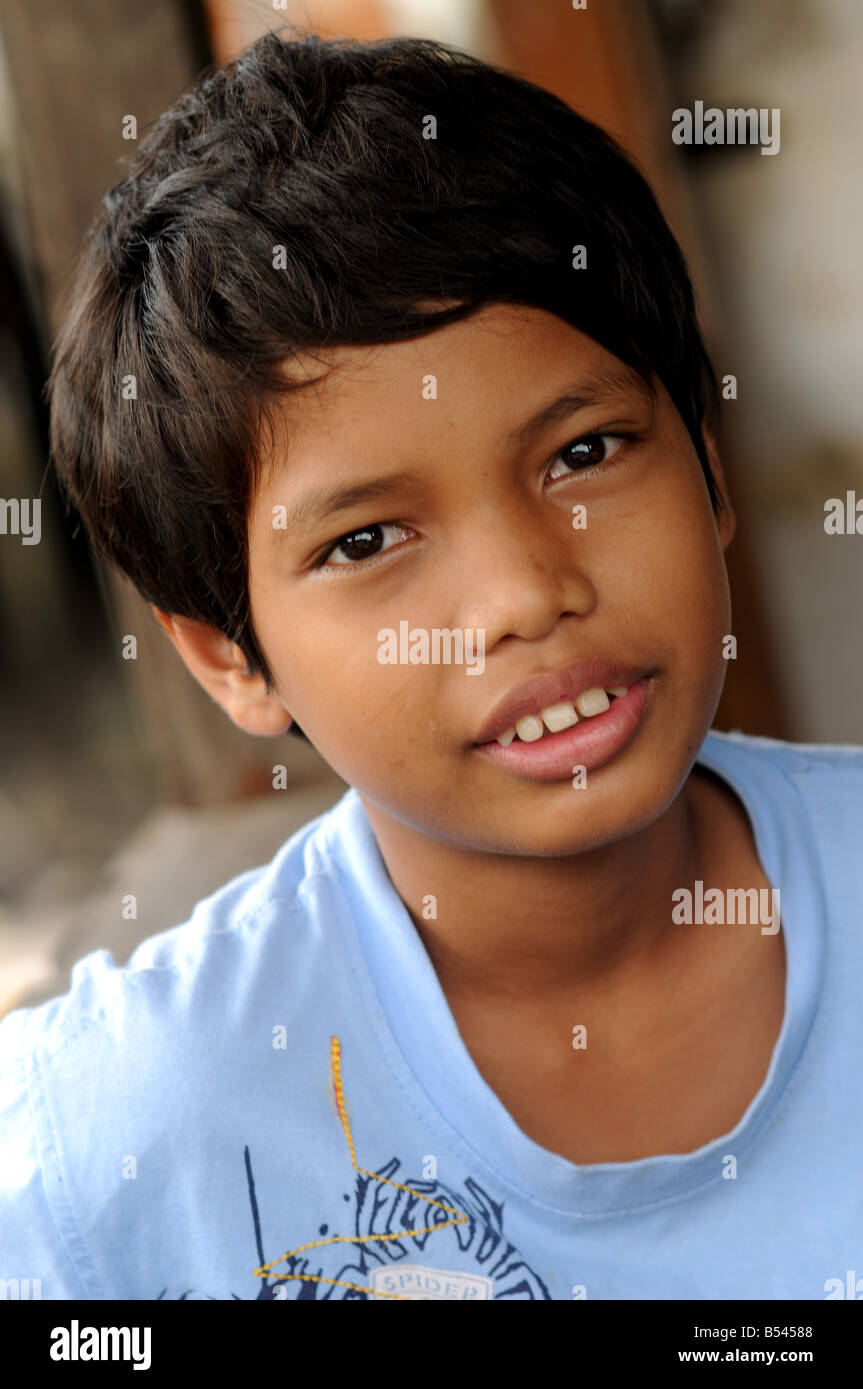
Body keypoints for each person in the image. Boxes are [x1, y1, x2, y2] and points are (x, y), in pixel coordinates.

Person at [1, 28, 860, 1302]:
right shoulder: (117, 1150)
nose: (526, 593)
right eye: (365, 540)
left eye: (584, 454)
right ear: (232, 659)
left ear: (709, 467)